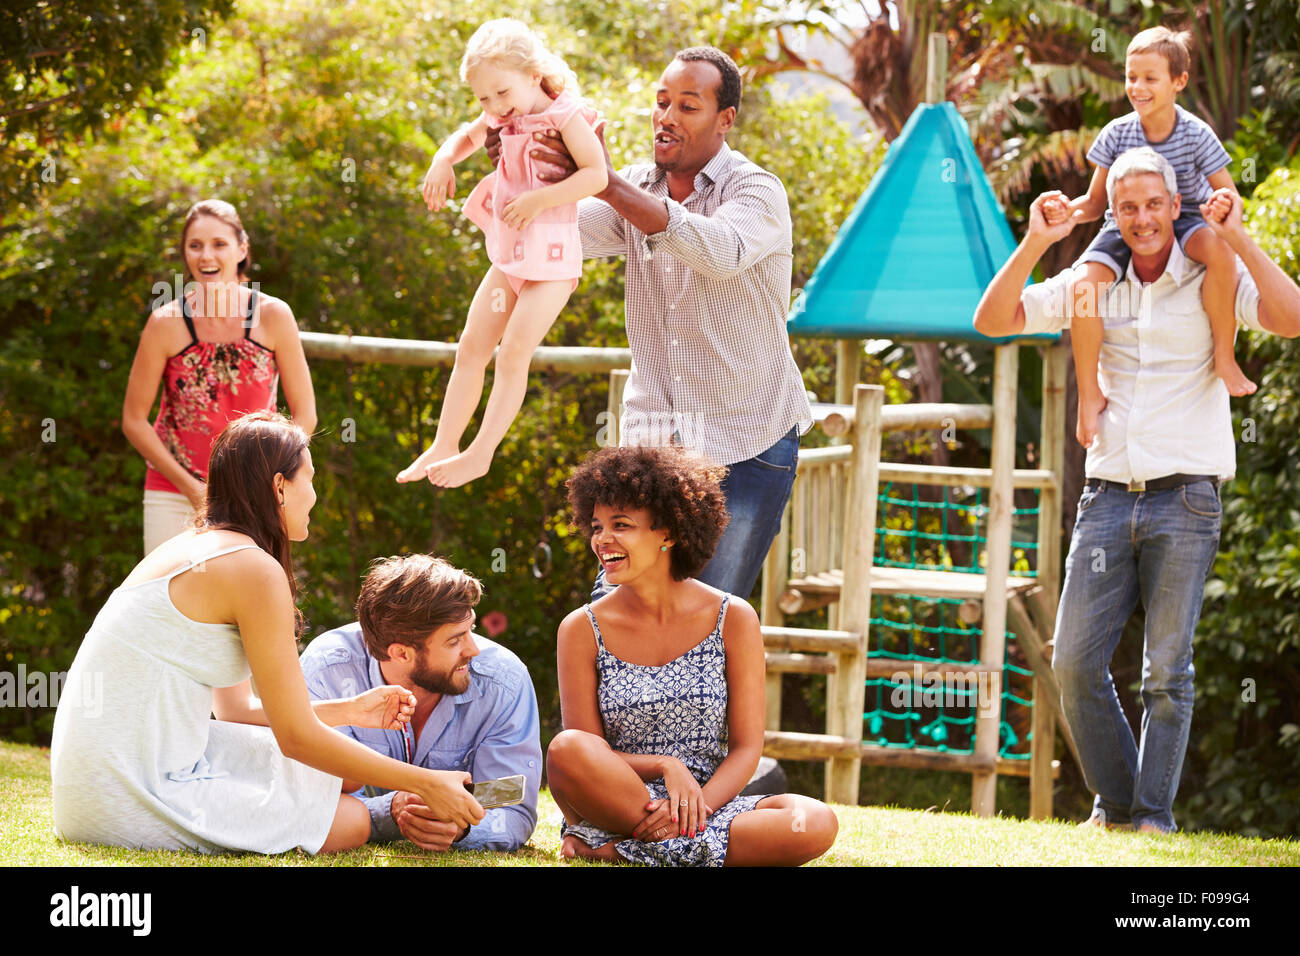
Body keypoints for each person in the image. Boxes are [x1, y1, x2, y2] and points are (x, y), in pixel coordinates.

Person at [973, 148, 1300, 832]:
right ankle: (1118, 802)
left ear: (1174, 205)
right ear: (1114, 215)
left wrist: (1238, 234)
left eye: (1156, 204)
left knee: (1165, 672)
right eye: (1129, 208)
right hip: (1107, 498)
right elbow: (993, 319)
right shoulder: (1093, 282)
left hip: (1186, 499)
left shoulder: (1212, 271)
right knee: (1072, 662)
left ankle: (1150, 817)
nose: (1144, 219)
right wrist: (1039, 239)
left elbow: (1292, 316)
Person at [51, 412, 484, 854]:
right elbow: (295, 737)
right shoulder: (251, 569)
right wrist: (426, 783)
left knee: (344, 774)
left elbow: (235, 709)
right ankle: (386, 812)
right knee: (350, 820)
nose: (315, 496)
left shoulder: (202, 547)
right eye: (310, 479)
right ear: (280, 487)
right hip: (123, 789)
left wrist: (349, 711)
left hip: (116, 771)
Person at [502, 46, 813, 599]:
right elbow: (555, 232)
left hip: (747, 441)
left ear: (725, 120)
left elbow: (717, 251)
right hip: (654, 442)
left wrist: (604, 180)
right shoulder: (637, 188)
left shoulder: (757, 191)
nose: (666, 117)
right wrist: (519, 149)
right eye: (661, 102)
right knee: (618, 609)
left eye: (687, 106)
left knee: (707, 621)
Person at [547, 445, 838, 865]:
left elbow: (746, 749)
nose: (602, 539)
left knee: (813, 820)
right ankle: (657, 848)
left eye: (621, 525)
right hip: (622, 801)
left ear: (668, 532)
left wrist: (695, 807)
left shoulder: (733, 617)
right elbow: (586, 750)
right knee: (567, 746)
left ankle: (622, 852)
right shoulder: (580, 627)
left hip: (708, 806)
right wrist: (665, 766)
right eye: (597, 526)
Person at [397, 18, 605, 489]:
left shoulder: (564, 116)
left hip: (550, 263)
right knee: (472, 347)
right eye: (484, 99)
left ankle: (480, 452)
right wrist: (442, 159)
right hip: (510, 257)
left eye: (502, 94)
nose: (495, 108)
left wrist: (539, 200)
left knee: (512, 353)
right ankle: (445, 441)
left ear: (533, 76)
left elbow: (596, 175)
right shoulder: (499, 115)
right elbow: (467, 137)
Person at [1046, 27, 1250, 450]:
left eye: (1149, 78)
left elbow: (1228, 194)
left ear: (1179, 81)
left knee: (1220, 250)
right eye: (1131, 76)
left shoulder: (1196, 134)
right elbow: (1095, 201)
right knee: (1084, 286)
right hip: (1125, 225)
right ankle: (1088, 394)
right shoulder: (1118, 133)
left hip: (1187, 218)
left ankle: (1225, 358)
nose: (1137, 87)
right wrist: (1070, 211)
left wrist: (1221, 211)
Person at [300, 553, 542, 852]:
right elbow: (314, 801)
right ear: (402, 654)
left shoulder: (503, 681)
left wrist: (463, 829)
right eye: (455, 641)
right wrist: (392, 811)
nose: (473, 650)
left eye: (472, 630)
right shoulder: (329, 670)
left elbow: (513, 805)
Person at [122, 198, 316, 555]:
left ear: (242, 249)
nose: (206, 256)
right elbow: (134, 420)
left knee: (246, 603)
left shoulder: (274, 315)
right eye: (195, 246)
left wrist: (272, 481)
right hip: (174, 490)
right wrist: (193, 489)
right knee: (169, 602)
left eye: (219, 244)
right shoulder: (165, 323)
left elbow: (305, 416)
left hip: (254, 493)